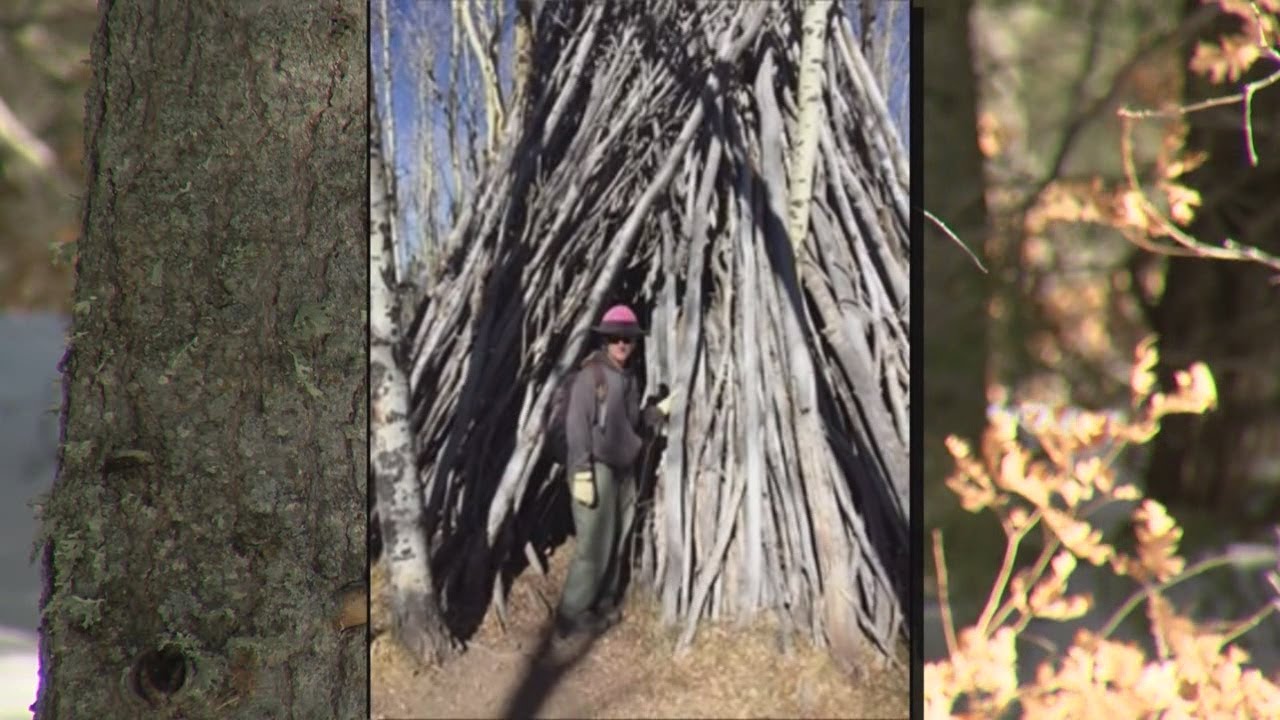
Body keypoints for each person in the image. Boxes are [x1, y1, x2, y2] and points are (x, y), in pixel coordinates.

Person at [555, 304, 670, 639]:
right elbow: (577, 425)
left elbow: (632, 422)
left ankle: (602, 602)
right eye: (616, 338)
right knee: (593, 542)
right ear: (606, 340)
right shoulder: (593, 376)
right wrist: (580, 472)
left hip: (623, 470)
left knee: (617, 537)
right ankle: (571, 614)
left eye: (628, 339)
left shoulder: (628, 379)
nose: (622, 344)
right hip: (596, 468)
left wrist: (658, 411)